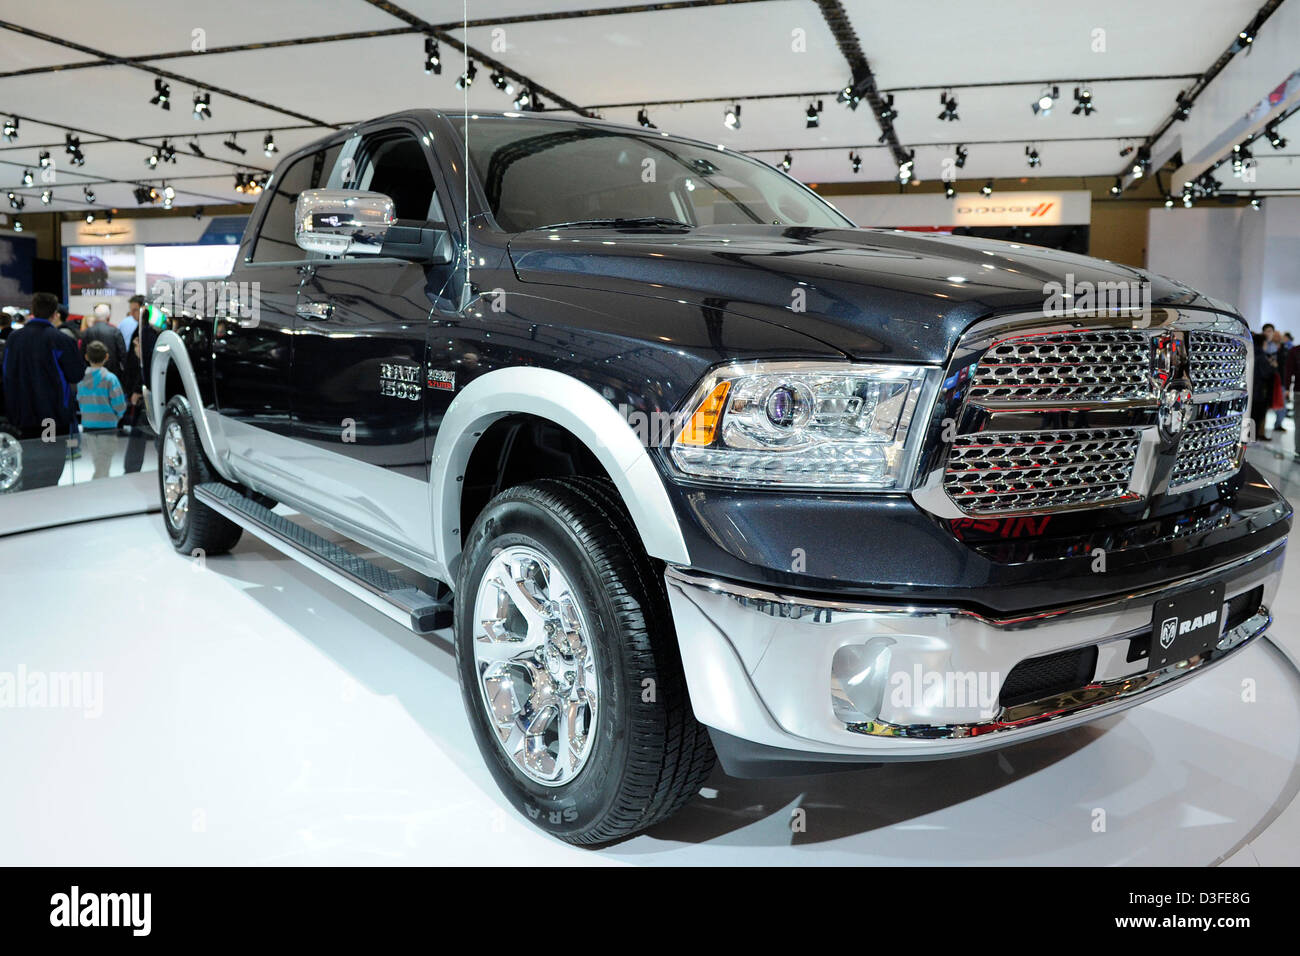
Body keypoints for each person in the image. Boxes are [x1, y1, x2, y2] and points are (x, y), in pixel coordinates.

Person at [0, 291, 86, 488]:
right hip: (51, 417)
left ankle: (32, 507)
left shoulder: (14, 339)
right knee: (50, 468)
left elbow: (7, 374)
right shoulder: (60, 340)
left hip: (21, 415)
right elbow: (76, 375)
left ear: (33, 311)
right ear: (55, 313)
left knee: (29, 463)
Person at [76, 339, 126, 479]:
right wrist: (118, 416)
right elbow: (119, 403)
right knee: (103, 463)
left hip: (88, 425)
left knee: (98, 462)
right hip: (108, 426)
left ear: (86, 357)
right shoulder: (110, 379)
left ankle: (99, 490)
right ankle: (98, 491)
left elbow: (79, 400)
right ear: (106, 357)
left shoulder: (81, 379)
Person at [80, 303, 127, 381]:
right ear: (108, 317)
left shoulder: (87, 332)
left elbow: (82, 353)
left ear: (95, 317)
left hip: (92, 374)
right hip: (112, 372)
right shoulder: (115, 331)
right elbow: (122, 354)